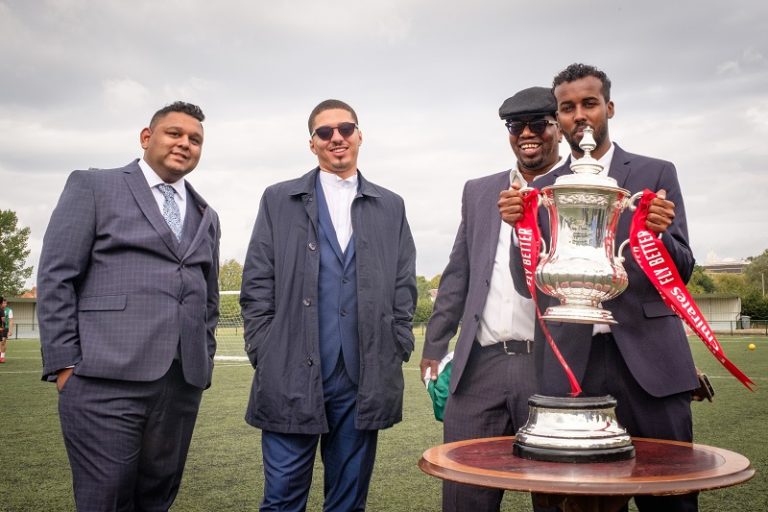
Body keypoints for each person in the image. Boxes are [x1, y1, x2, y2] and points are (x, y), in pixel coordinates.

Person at [501, 63, 699, 512]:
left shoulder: (654, 172)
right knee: (576, 501)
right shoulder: (542, 188)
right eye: (567, 108)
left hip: (650, 362)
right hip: (572, 367)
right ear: (558, 118)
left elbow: (683, 269)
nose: (579, 115)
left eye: (589, 103)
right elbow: (525, 284)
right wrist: (518, 231)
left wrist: (661, 235)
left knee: (671, 497)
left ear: (609, 107)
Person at [37, 101, 220, 511]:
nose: (185, 143)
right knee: (106, 499)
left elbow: (208, 298)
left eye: (195, 139)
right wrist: (66, 365)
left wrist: (203, 360)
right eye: (174, 133)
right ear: (146, 137)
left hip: (180, 384)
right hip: (103, 379)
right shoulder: (93, 186)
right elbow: (57, 275)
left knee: (157, 498)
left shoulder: (207, 213)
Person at [240, 99, 417, 512]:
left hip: (361, 377)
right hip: (289, 371)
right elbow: (257, 281)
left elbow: (403, 283)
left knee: (348, 503)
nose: (336, 137)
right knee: (282, 499)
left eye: (345, 129)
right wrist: (265, 349)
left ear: (359, 135)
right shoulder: (278, 198)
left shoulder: (391, 204)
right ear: (312, 143)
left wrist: (398, 342)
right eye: (325, 132)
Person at [421, 87, 562, 512]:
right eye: (516, 126)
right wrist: (434, 345)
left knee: (556, 494)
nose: (527, 133)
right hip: (480, 364)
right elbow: (458, 274)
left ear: (559, 128)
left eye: (538, 124)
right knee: (464, 492)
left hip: (549, 365)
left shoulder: (578, 189)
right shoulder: (479, 191)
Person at [0, 297, 8, 363]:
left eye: (5, 303)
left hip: (3, 329)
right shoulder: (1, 310)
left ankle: (2, 357)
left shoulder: (8, 310)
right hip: (2, 328)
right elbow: (3, 320)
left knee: (3, 342)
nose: (5, 304)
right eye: (3, 303)